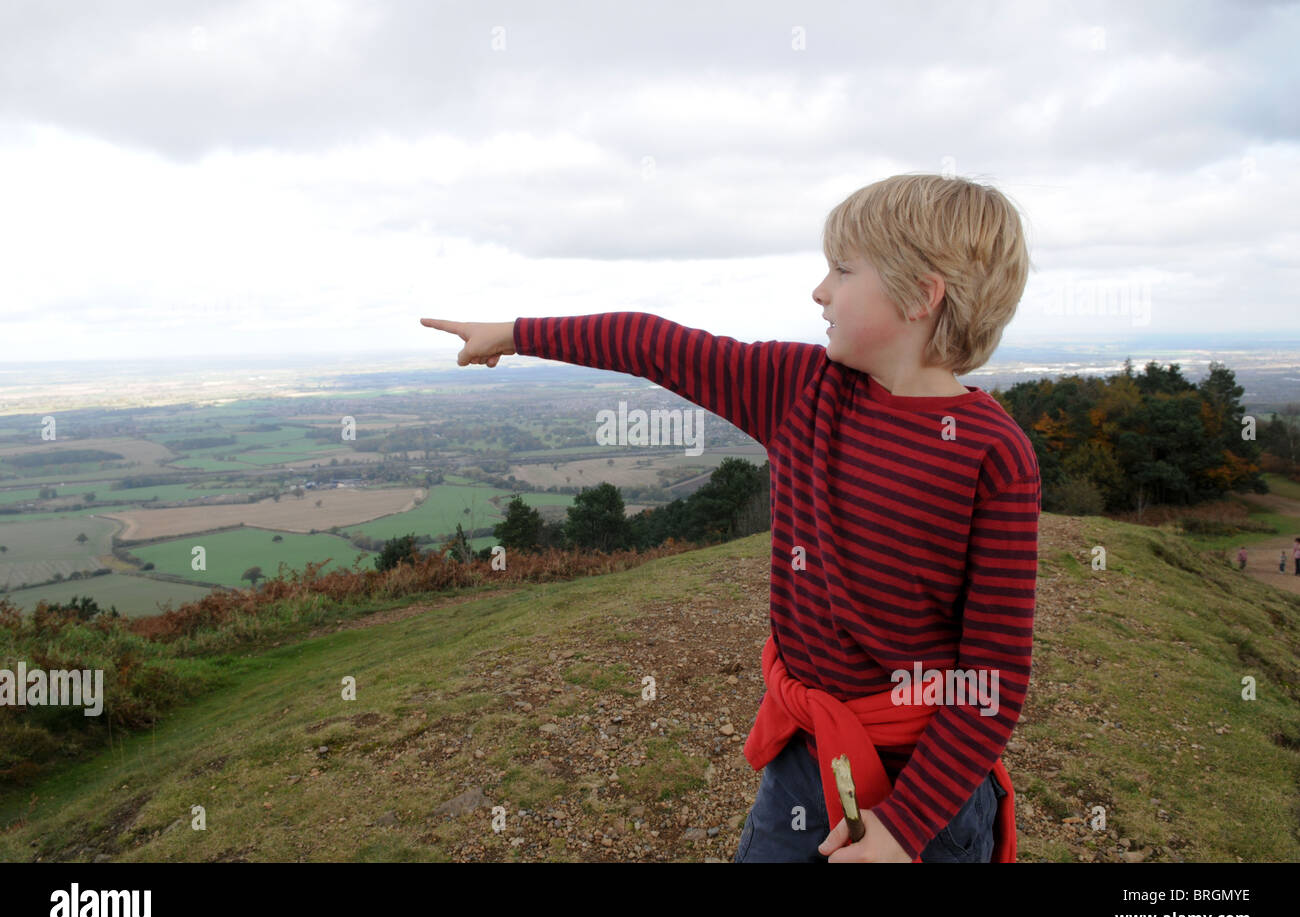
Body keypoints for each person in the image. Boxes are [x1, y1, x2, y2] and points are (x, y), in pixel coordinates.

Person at [421, 172, 1039, 863]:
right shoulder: (802, 390)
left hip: (931, 786)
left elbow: (993, 679)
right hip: (805, 759)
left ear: (922, 295)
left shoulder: (993, 455)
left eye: (841, 269)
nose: (819, 291)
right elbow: (652, 343)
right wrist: (514, 332)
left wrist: (903, 825)